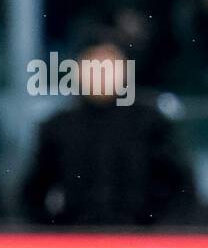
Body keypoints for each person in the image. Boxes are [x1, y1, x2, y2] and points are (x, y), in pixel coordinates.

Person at [21, 38, 197, 226]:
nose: (100, 74)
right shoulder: (59, 126)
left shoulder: (151, 123)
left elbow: (181, 190)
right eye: (92, 66)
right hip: (78, 240)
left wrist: (158, 232)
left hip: (141, 241)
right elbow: (32, 193)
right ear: (78, 70)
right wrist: (56, 233)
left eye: (109, 65)